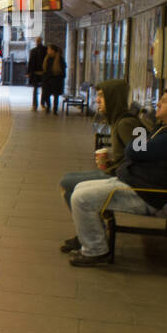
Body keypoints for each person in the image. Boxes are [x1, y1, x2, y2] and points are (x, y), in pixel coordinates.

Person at [65, 87, 167, 266]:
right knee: (79, 188)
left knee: (81, 198)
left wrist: (142, 135)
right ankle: (95, 241)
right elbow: (139, 145)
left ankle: (95, 250)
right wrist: (146, 133)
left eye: (163, 101)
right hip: (138, 182)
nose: (158, 103)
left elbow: (132, 150)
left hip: (147, 195)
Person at [59, 79, 144, 236]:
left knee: (68, 182)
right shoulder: (121, 120)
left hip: (122, 178)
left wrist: (116, 167)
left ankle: (91, 233)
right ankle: (90, 229)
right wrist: (113, 161)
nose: (97, 99)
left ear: (113, 98)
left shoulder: (127, 124)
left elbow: (141, 157)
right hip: (117, 171)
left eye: (102, 96)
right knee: (68, 183)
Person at [41, 43, 66, 114]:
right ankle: (48, 106)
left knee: (56, 95)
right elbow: (45, 68)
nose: (47, 51)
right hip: (47, 79)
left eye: (49, 49)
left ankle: (55, 109)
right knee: (46, 94)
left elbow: (63, 69)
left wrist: (61, 77)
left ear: (53, 50)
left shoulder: (60, 58)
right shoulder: (47, 58)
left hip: (56, 79)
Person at [27, 36, 47, 110]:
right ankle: (42, 104)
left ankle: (35, 105)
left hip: (36, 72)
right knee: (42, 89)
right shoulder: (46, 50)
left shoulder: (33, 50)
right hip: (42, 72)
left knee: (36, 89)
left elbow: (30, 62)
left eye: (37, 41)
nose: (37, 42)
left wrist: (29, 72)